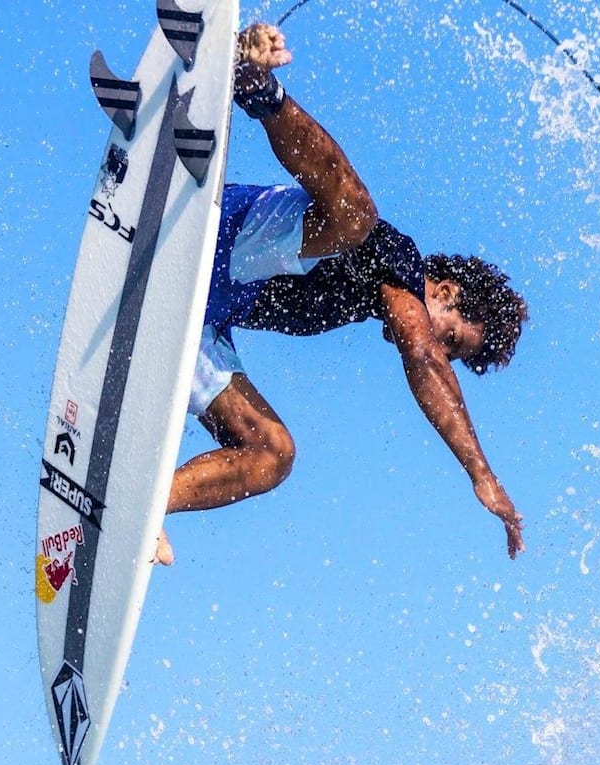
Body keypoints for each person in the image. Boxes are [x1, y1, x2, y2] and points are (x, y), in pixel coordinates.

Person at [156, 23, 528, 565]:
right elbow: (421, 353)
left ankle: (144, 510)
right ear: (445, 291)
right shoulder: (398, 260)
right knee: (356, 216)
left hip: (200, 316)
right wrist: (481, 473)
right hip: (219, 237)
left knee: (273, 453)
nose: (439, 352)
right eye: (451, 339)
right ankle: (257, 87)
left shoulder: (362, 302)